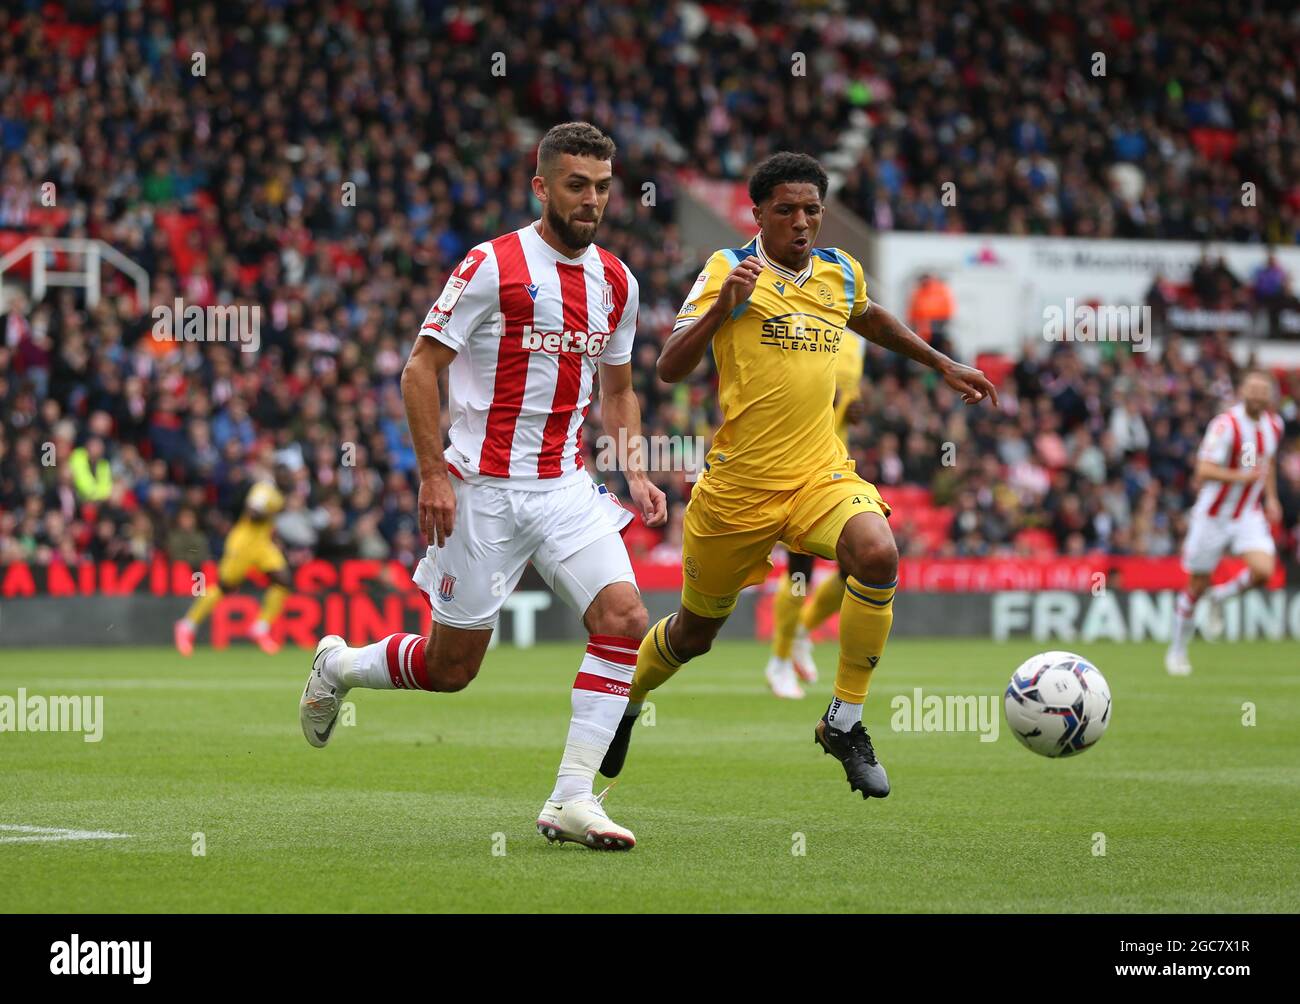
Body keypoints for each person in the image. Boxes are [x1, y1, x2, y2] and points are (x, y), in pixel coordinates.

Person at [298, 122, 667, 849]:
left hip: (564, 486)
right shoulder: (492, 265)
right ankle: (337, 665)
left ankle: (571, 798)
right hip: (481, 491)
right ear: (541, 186)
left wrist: (636, 467)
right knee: (451, 669)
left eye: (600, 186)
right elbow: (419, 370)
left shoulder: (617, 281)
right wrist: (433, 473)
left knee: (624, 620)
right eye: (575, 185)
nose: (591, 199)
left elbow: (618, 391)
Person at [601, 152, 997, 799]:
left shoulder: (839, 273)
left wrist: (940, 361)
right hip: (738, 489)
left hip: (819, 474)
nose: (802, 222)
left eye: (812, 210)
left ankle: (844, 720)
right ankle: (626, 699)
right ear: (756, 213)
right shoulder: (731, 270)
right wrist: (721, 309)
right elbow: (671, 367)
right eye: (786, 210)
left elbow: (868, 316)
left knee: (875, 551)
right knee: (696, 633)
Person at [762, 327, 867, 699]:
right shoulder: (802, 327)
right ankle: (778, 660)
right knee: (799, 575)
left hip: (838, 469)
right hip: (798, 471)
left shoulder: (858, 343)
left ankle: (802, 633)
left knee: (857, 567)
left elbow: (846, 399)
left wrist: (851, 410)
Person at [1166, 370, 1284, 675]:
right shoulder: (1225, 425)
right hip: (1213, 516)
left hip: (1247, 514)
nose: (1258, 395)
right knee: (1196, 585)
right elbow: (1202, 471)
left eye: (1263, 390)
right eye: (1253, 389)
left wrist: (1270, 498)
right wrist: (1240, 476)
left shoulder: (1274, 425)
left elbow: (1267, 463)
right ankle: (1177, 651)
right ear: (1242, 391)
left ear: (1270, 395)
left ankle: (1221, 598)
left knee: (1263, 570)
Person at [174, 478, 289, 656]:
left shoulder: (280, 497)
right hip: (243, 543)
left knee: (283, 581)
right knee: (224, 587)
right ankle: (187, 625)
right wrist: (270, 512)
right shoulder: (264, 489)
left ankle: (260, 627)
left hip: (262, 545)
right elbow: (252, 512)